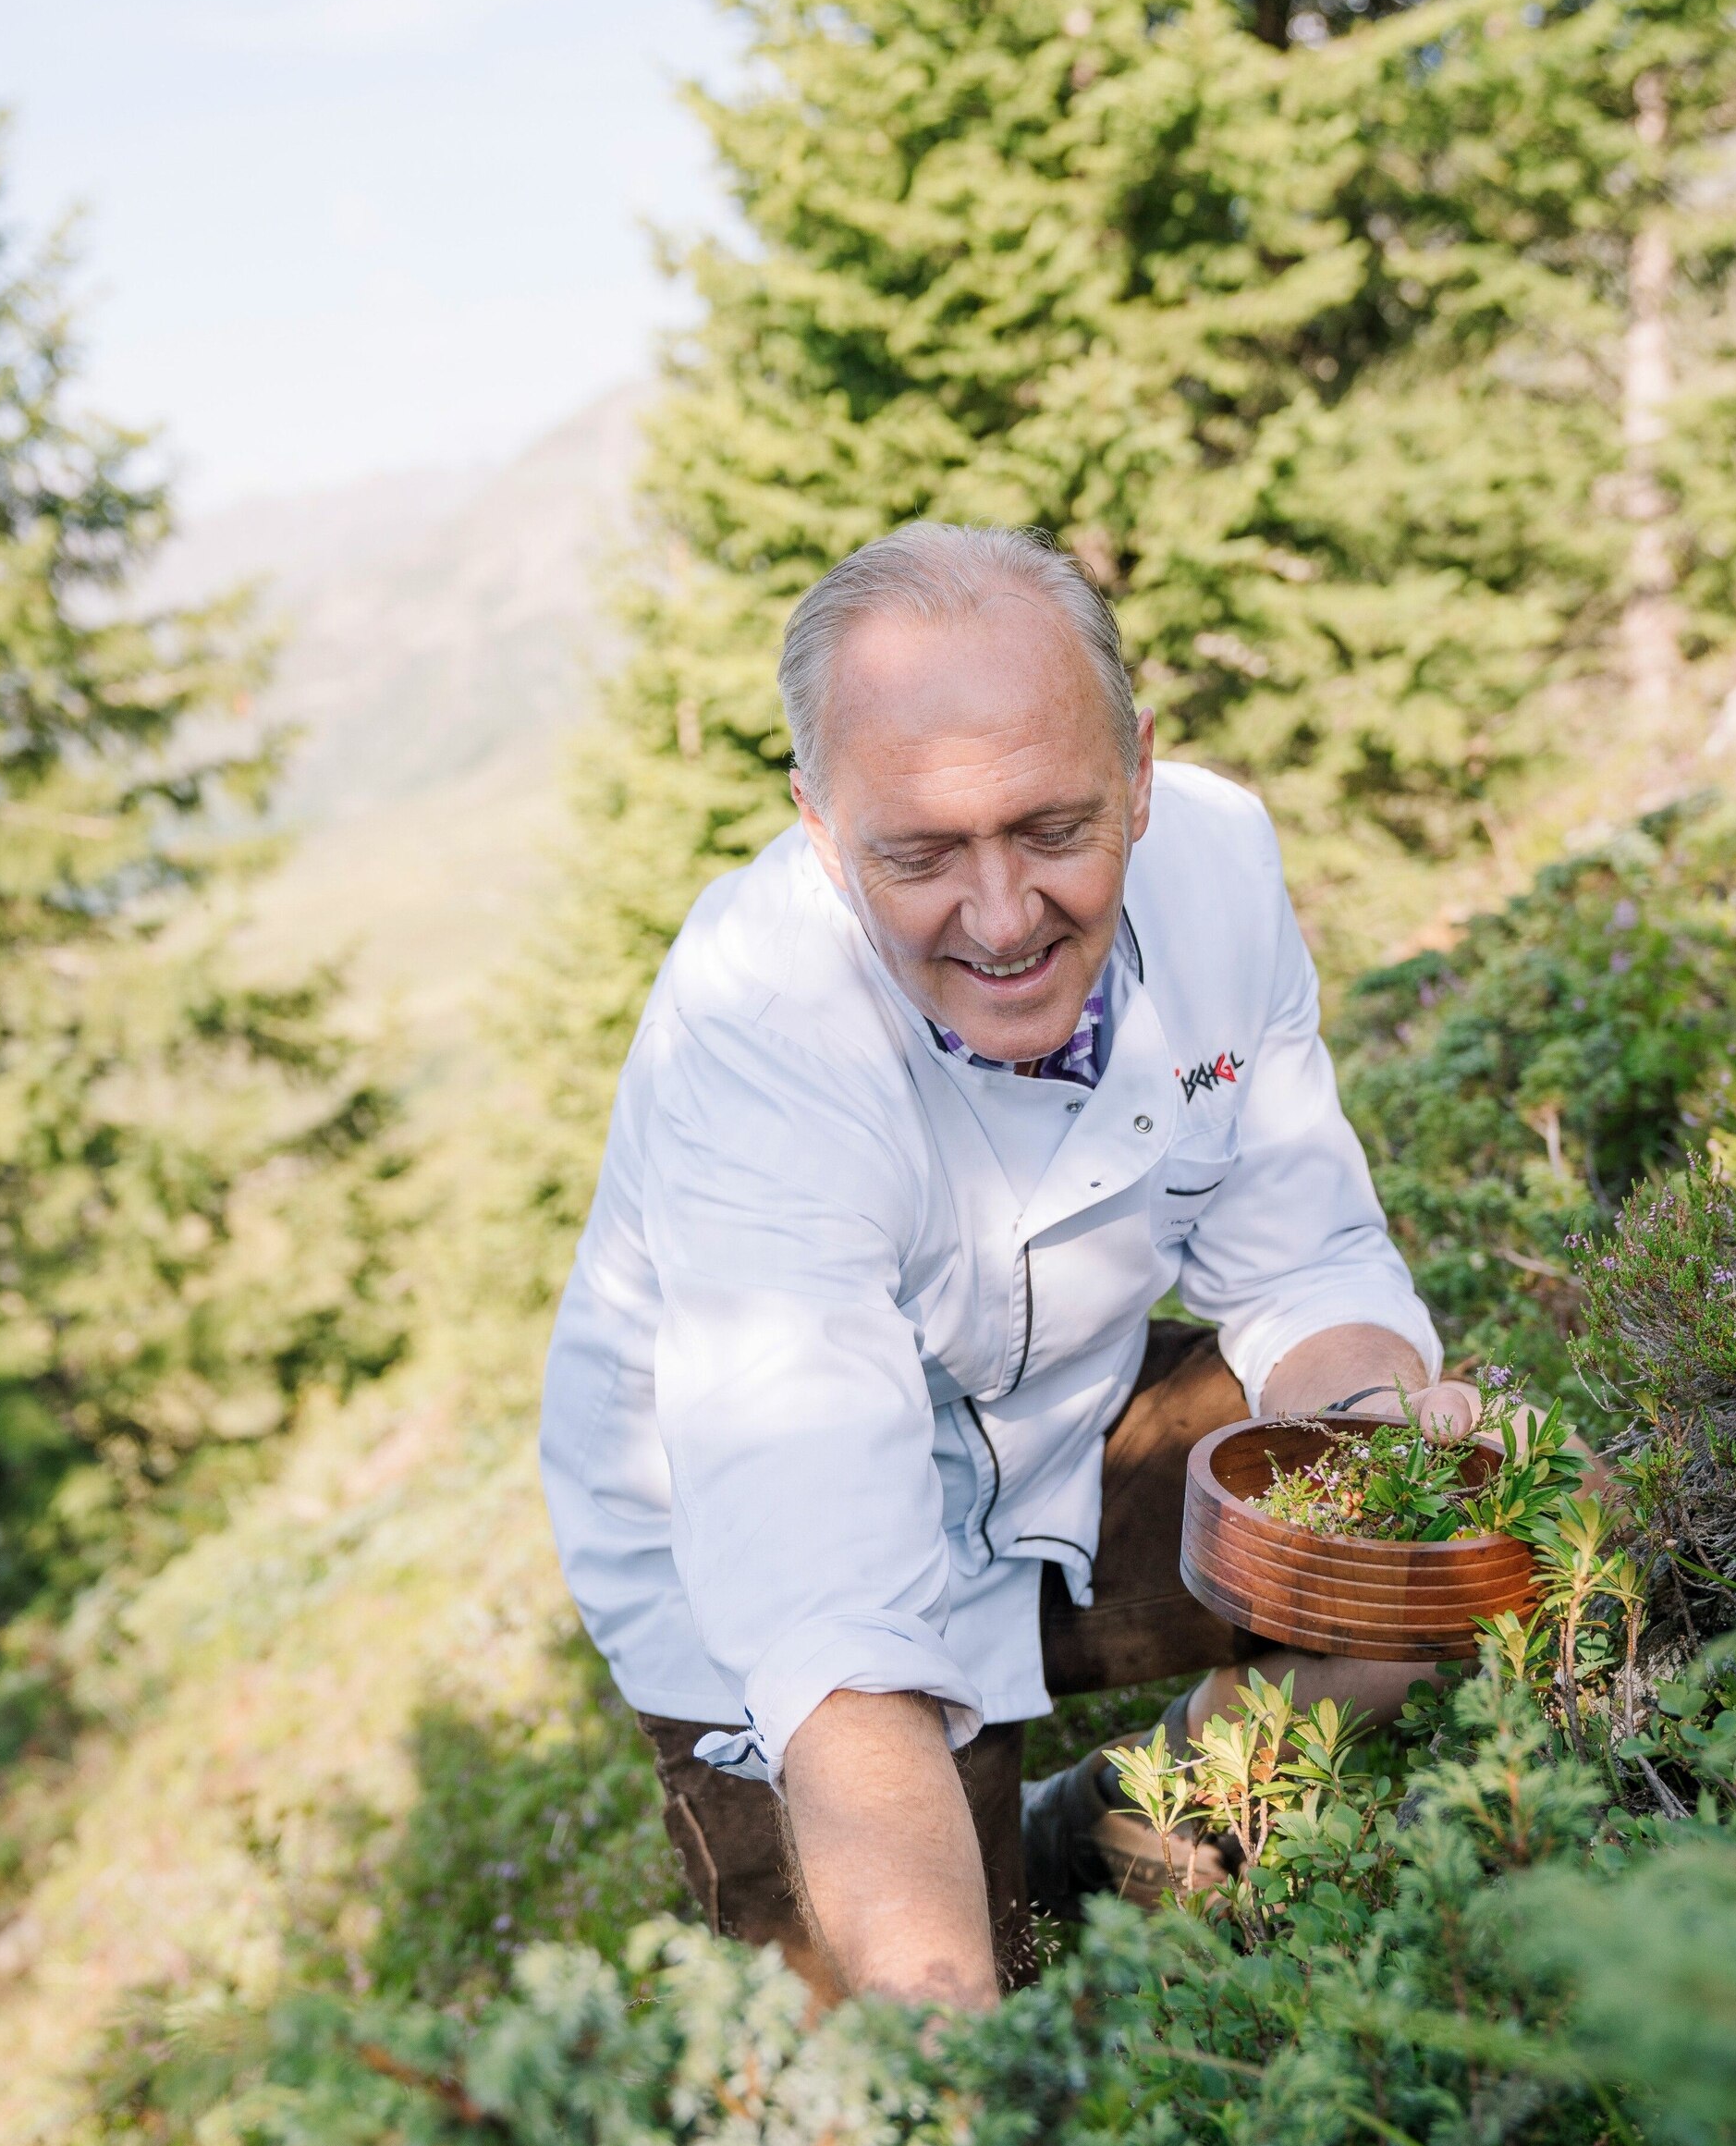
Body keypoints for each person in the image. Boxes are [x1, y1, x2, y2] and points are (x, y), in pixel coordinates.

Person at [542, 522, 1486, 2015]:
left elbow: (1304, 1260)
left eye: (1054, 830)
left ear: (1142, 775)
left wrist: (1376, 1439)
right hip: (760, 1548)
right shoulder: (756, 1036)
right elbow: (828, 1617)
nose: (1001, 918)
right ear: (817, 828)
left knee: (1446, 1562)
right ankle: (1020, 1889)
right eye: (919, 855)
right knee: (906, 2031)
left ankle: (1122, 1838)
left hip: (1066, 1414)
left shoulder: (1220, 867)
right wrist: (961, 2074)